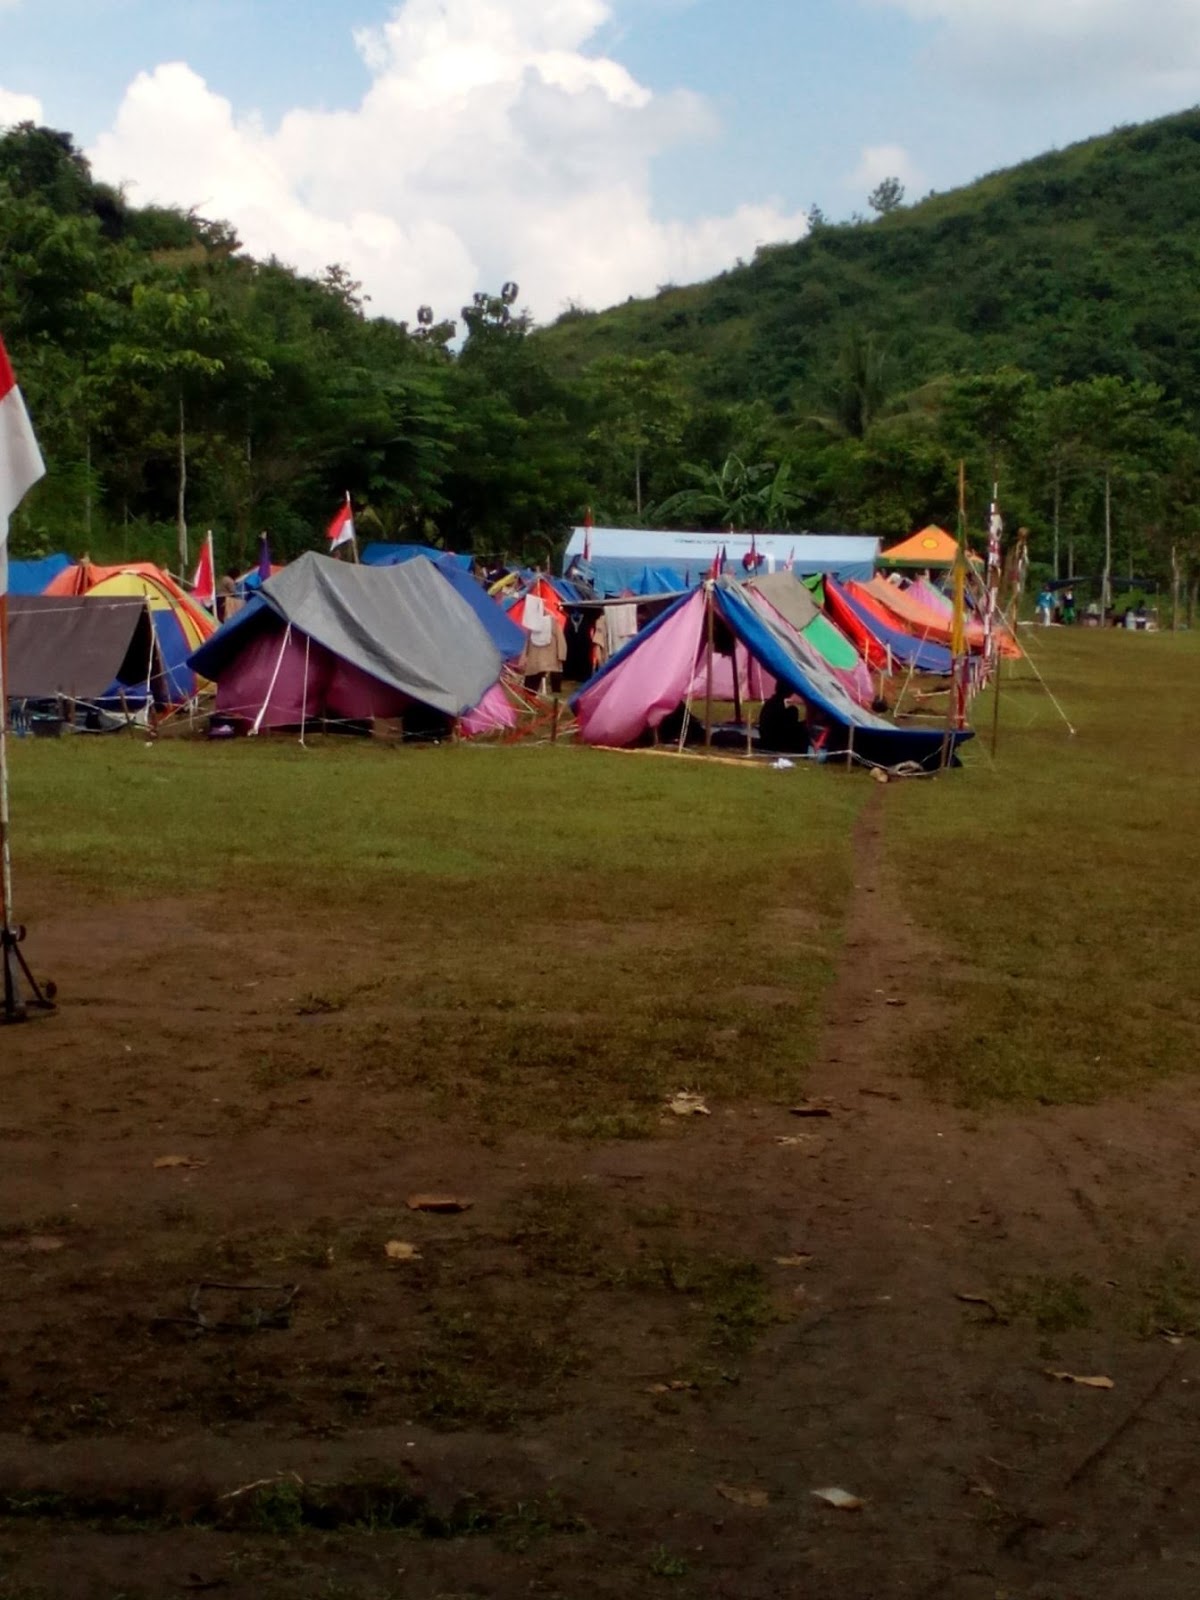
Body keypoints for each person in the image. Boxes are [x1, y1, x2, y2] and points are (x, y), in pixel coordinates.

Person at [757, 684, 806, 753]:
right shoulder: (776, 705)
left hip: (767, 738)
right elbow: (784, 725)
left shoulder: (772, 702)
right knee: (794, 712)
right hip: (774, 740)